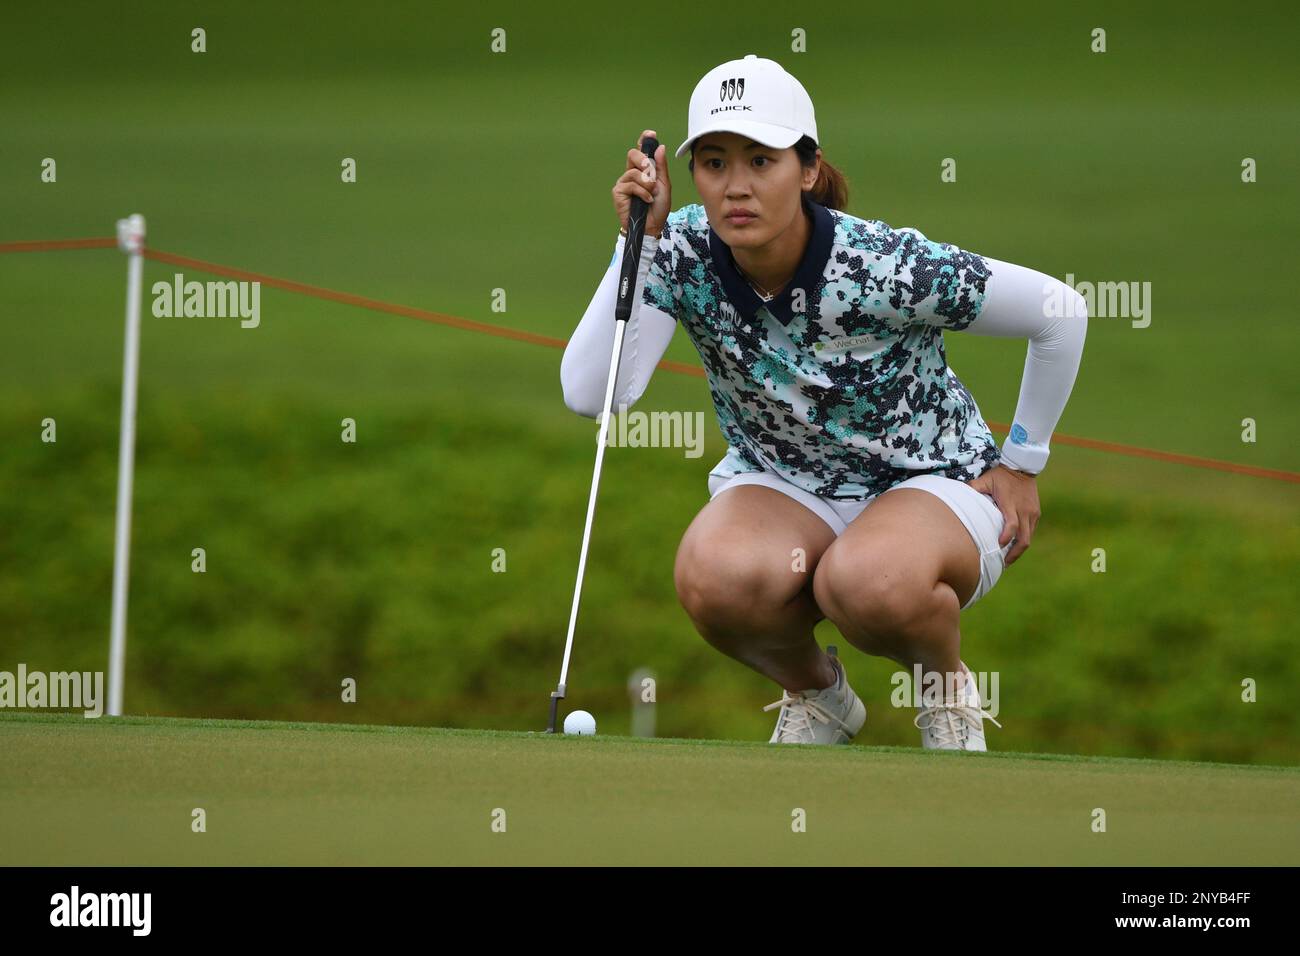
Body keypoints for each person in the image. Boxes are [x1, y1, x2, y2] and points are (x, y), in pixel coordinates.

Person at [560, 54, 1087, 750]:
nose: (735, 188)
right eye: (714, 163)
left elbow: (1061, 311)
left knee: (867, 583)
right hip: (785, 486)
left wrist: (1023, 460)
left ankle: (944, 693)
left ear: (807, 170)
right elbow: (591, 392)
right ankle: (820, 696)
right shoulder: (681, 249)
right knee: (712, 577)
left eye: (761, 161)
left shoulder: (883, 264)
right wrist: (643, 243)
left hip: (931, 484)